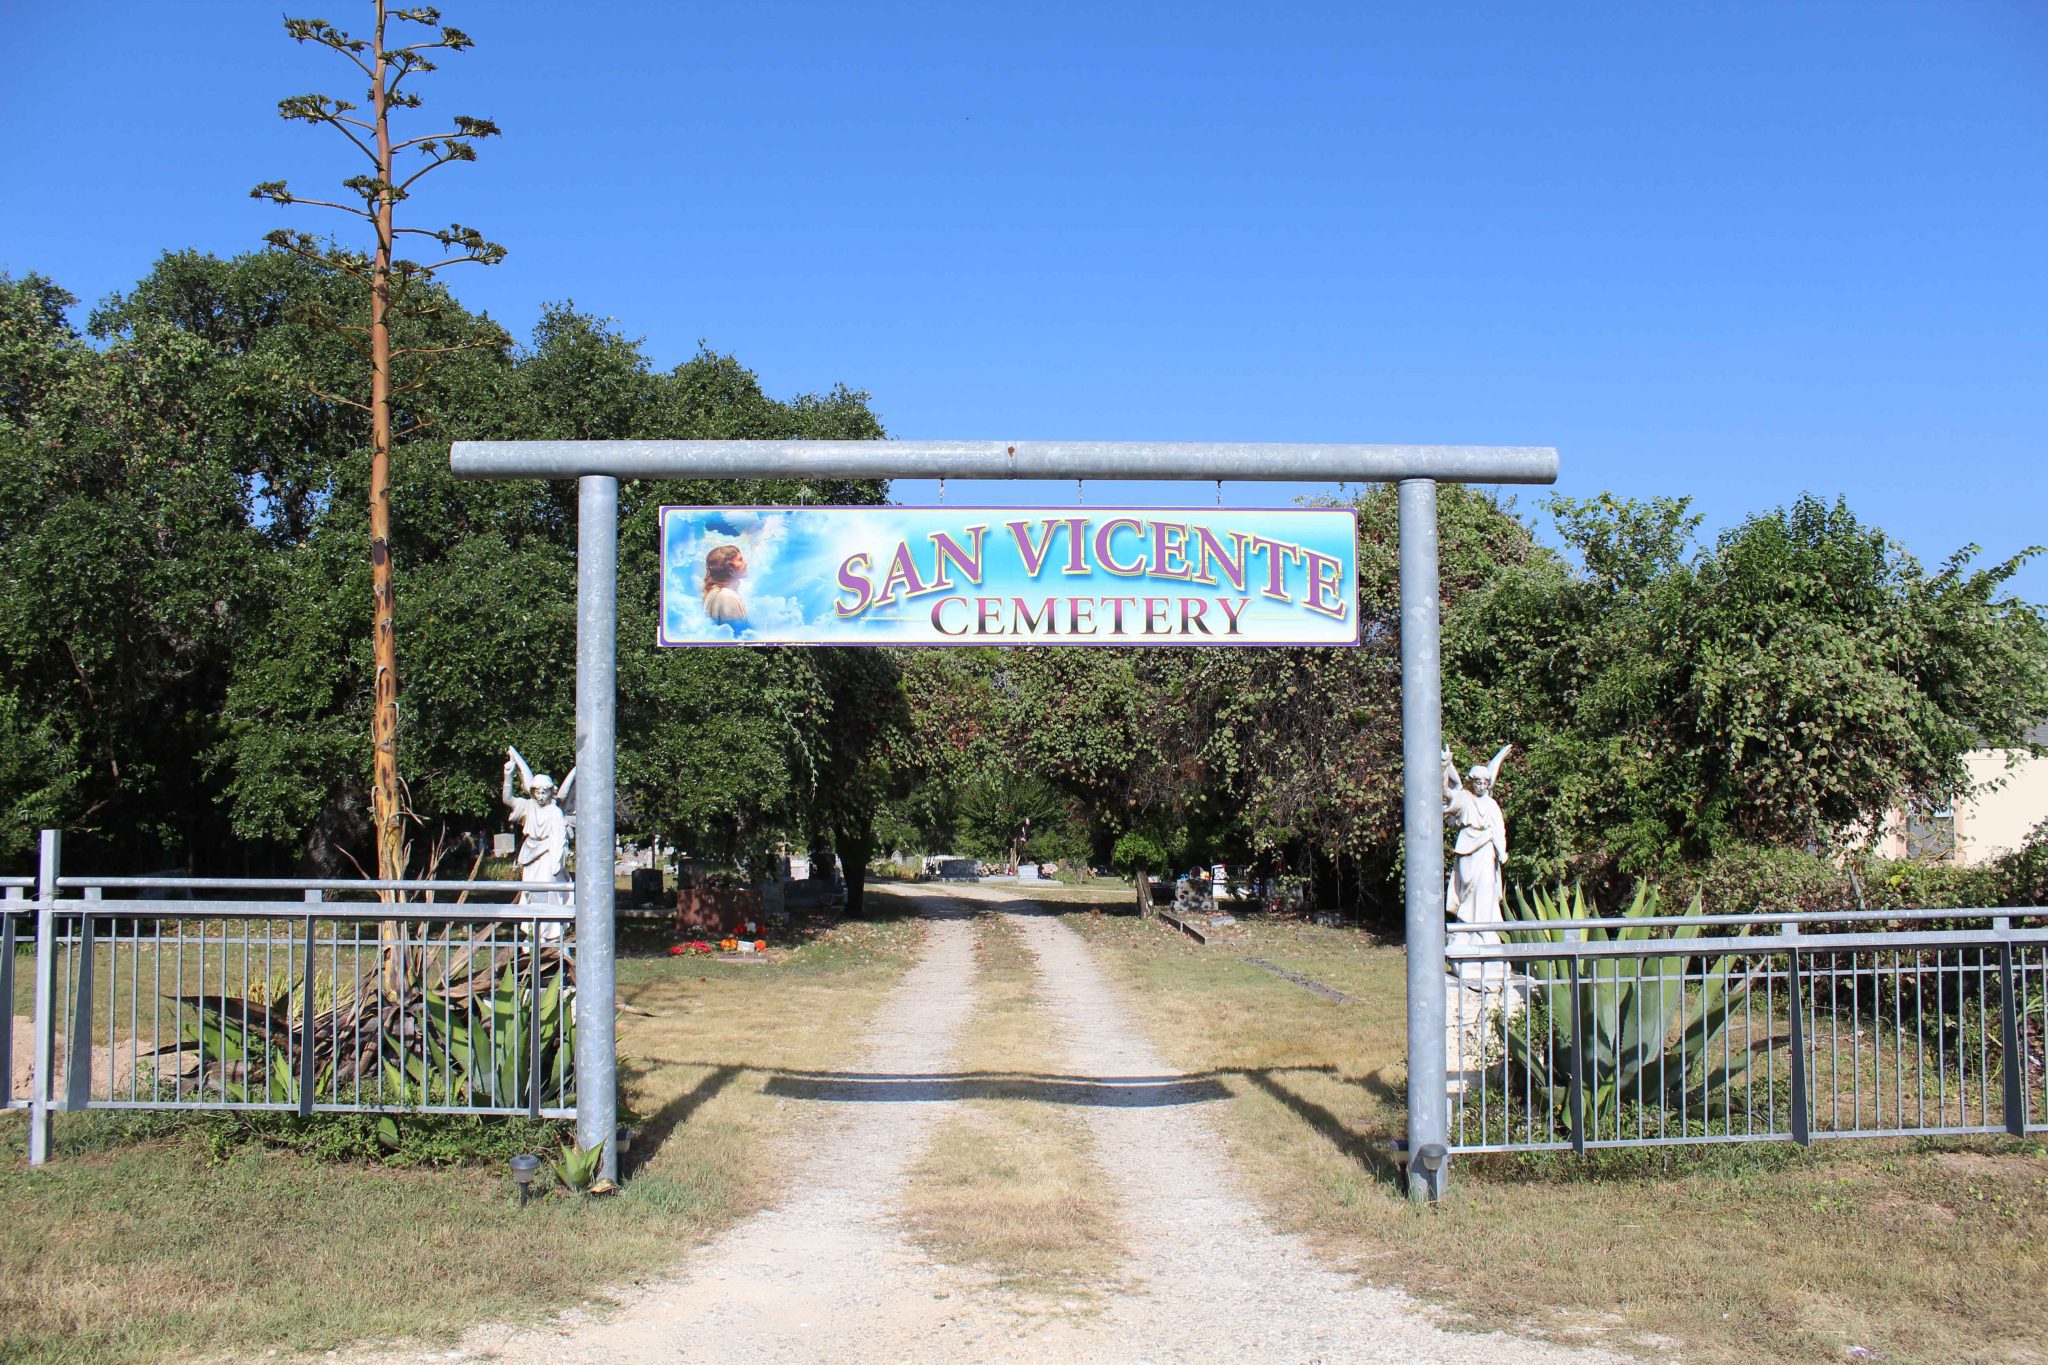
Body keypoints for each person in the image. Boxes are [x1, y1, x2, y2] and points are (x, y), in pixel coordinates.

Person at [503, 752, 576, 938]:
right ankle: (534, 936)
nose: (540, 796)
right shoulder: (529, 806)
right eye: (537, 792)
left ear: (551, 792)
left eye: (544, 792)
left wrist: (556, 863)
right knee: (530, 893)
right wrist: (508, 776)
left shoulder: (554, 812)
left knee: (547, 891)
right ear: (533, 792)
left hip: (548, 855)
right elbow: (508, 800)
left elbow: (559, 838)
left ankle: (549, 935)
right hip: (530, 854)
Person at [703, 544, 748, 623]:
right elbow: (736, 632)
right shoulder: (727, 597)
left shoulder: (717, 592)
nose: (746, 563)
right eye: (740, 559)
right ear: (727, 567)